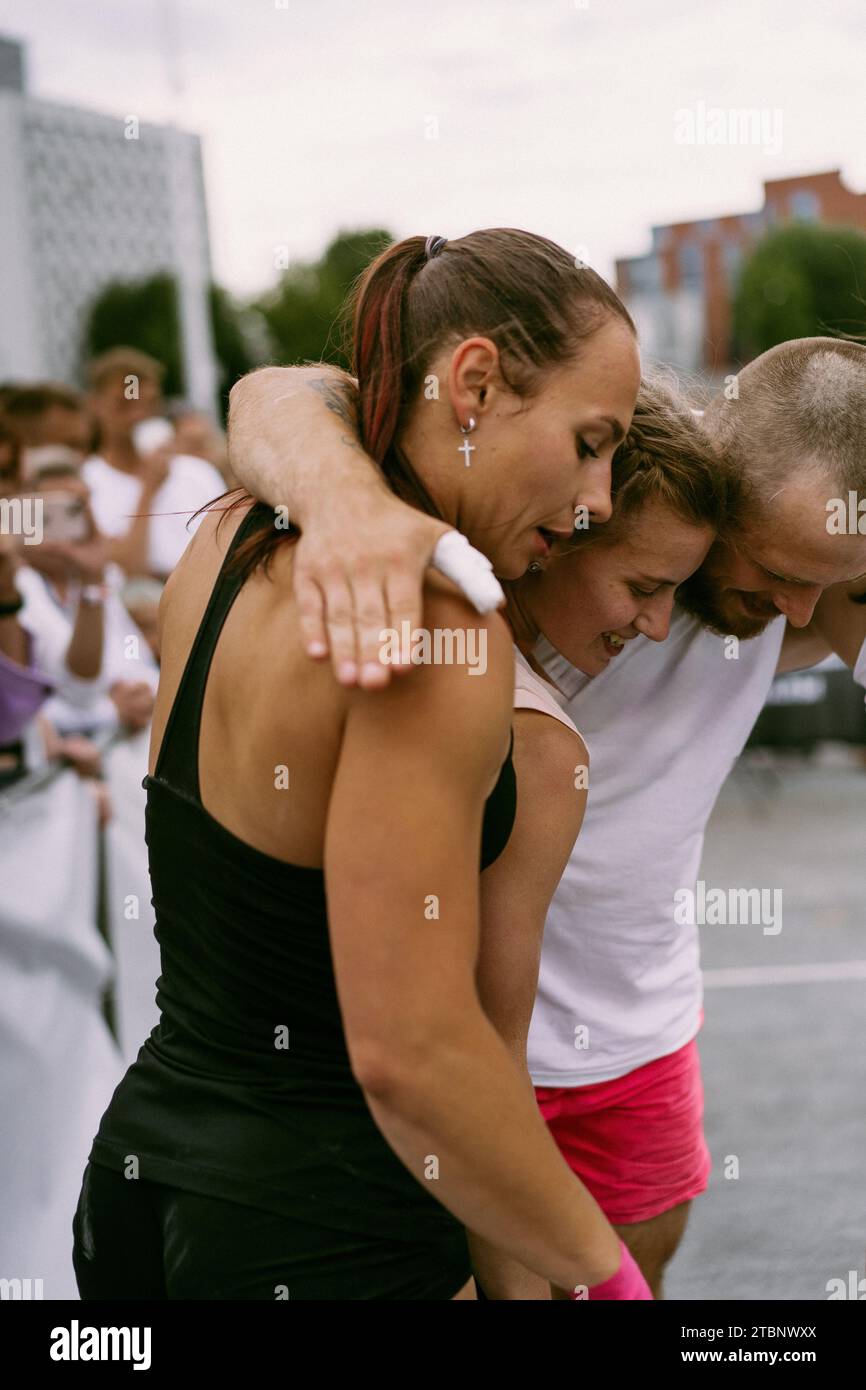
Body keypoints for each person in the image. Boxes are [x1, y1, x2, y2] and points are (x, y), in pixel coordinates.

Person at [73, 228, 650, 1301]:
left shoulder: (227, 529)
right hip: (320, 1226)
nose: (600, 498)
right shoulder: (430, 625)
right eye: (588, 441)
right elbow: (414, 1054)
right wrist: (601, 1276)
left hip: (143, 1178)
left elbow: (291, 396)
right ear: (472, 382)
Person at [225, 334, 866, 1296]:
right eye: (781, 570)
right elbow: (275, 393)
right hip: (467, 1054)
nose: (801, 609)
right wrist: (346, 504)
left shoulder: (802, 591)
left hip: (641, 1051)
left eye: (836, 582)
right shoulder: (559, 533)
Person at [82, 348, 227, 582]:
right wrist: (148, 491)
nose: (138, 416)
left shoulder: (197, 473)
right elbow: (129, 570)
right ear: (95, 406)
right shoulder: (87, 483)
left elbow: (227, 554)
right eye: (124, 405)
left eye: (148, 404)